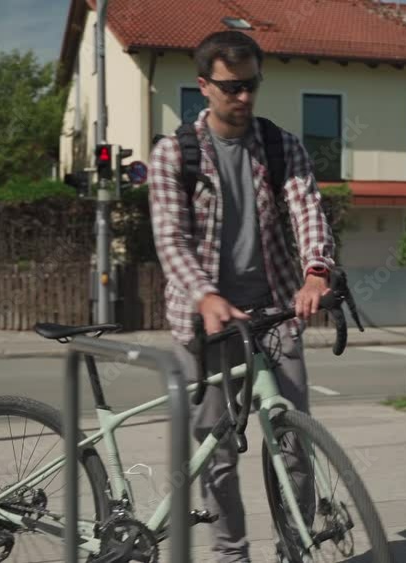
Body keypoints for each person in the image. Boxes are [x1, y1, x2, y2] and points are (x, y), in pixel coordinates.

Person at [147, 30, 338, 563]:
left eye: (251, 85)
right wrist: (206, 296)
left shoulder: (280, 145)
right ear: (204, 85)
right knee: (219, 455)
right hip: (204, 324)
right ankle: (232, 556)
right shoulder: (174, 155)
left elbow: (307, 210)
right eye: (231, 87)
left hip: (273, 315)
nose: (244, 97)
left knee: (295, 445)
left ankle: (293, 551)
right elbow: (170, 239)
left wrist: (316, 272)